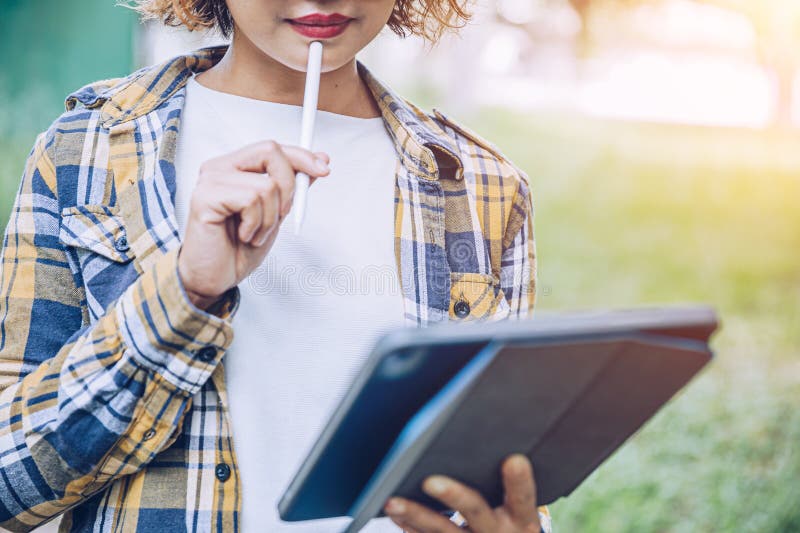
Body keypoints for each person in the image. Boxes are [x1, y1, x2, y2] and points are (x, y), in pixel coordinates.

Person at [0, 1, 549, 532]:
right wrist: (185, 290)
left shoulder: (483, 186)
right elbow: (9, 483)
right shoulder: (82, 150)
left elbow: (505, 465)